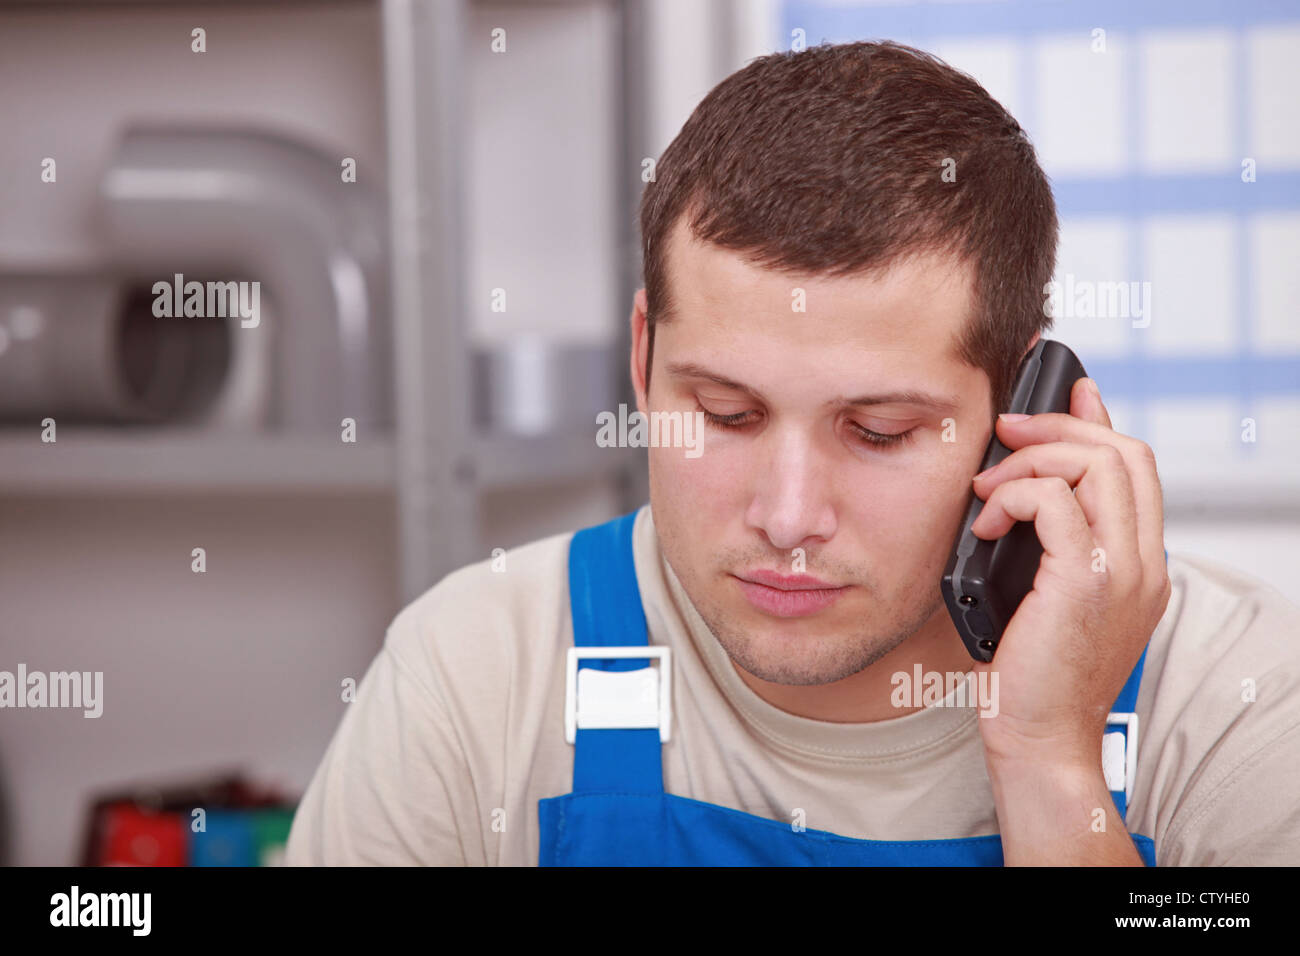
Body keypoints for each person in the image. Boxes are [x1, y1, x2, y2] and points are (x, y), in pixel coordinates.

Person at [286, 40, 1300, 866]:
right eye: (725, 413)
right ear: (642, 359)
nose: (786, 513)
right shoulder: (476, 673)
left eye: (878, 432)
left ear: (1017, 410)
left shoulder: (1232, 697)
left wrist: (1050, 760)